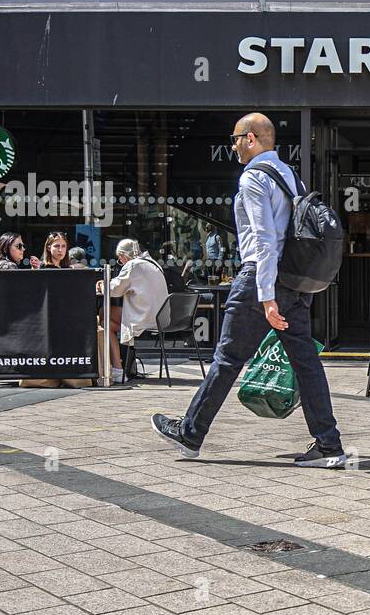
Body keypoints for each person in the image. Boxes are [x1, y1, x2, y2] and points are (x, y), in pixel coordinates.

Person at [152, 112, 346, 467]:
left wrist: (266, 296)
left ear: (252, 139)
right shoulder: (290, 176)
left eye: (236, 138)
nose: (233, 145)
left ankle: (190, 434)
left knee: (227, 359)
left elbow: (264, 240)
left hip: (262, 281)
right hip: (292, 283)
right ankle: (329, 445)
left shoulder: (254, 178)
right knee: (306, 363)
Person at [100, 239, 167, 384]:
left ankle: (118, 370)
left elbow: (114, 290)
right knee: (106, 318)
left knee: (104, 319)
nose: (120, 261)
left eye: (120, 258)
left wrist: (101, 285)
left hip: (145, 319)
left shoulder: (133, 265)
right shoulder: (153, 263)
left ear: (124, 255)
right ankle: (124, 366)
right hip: (160, 318)